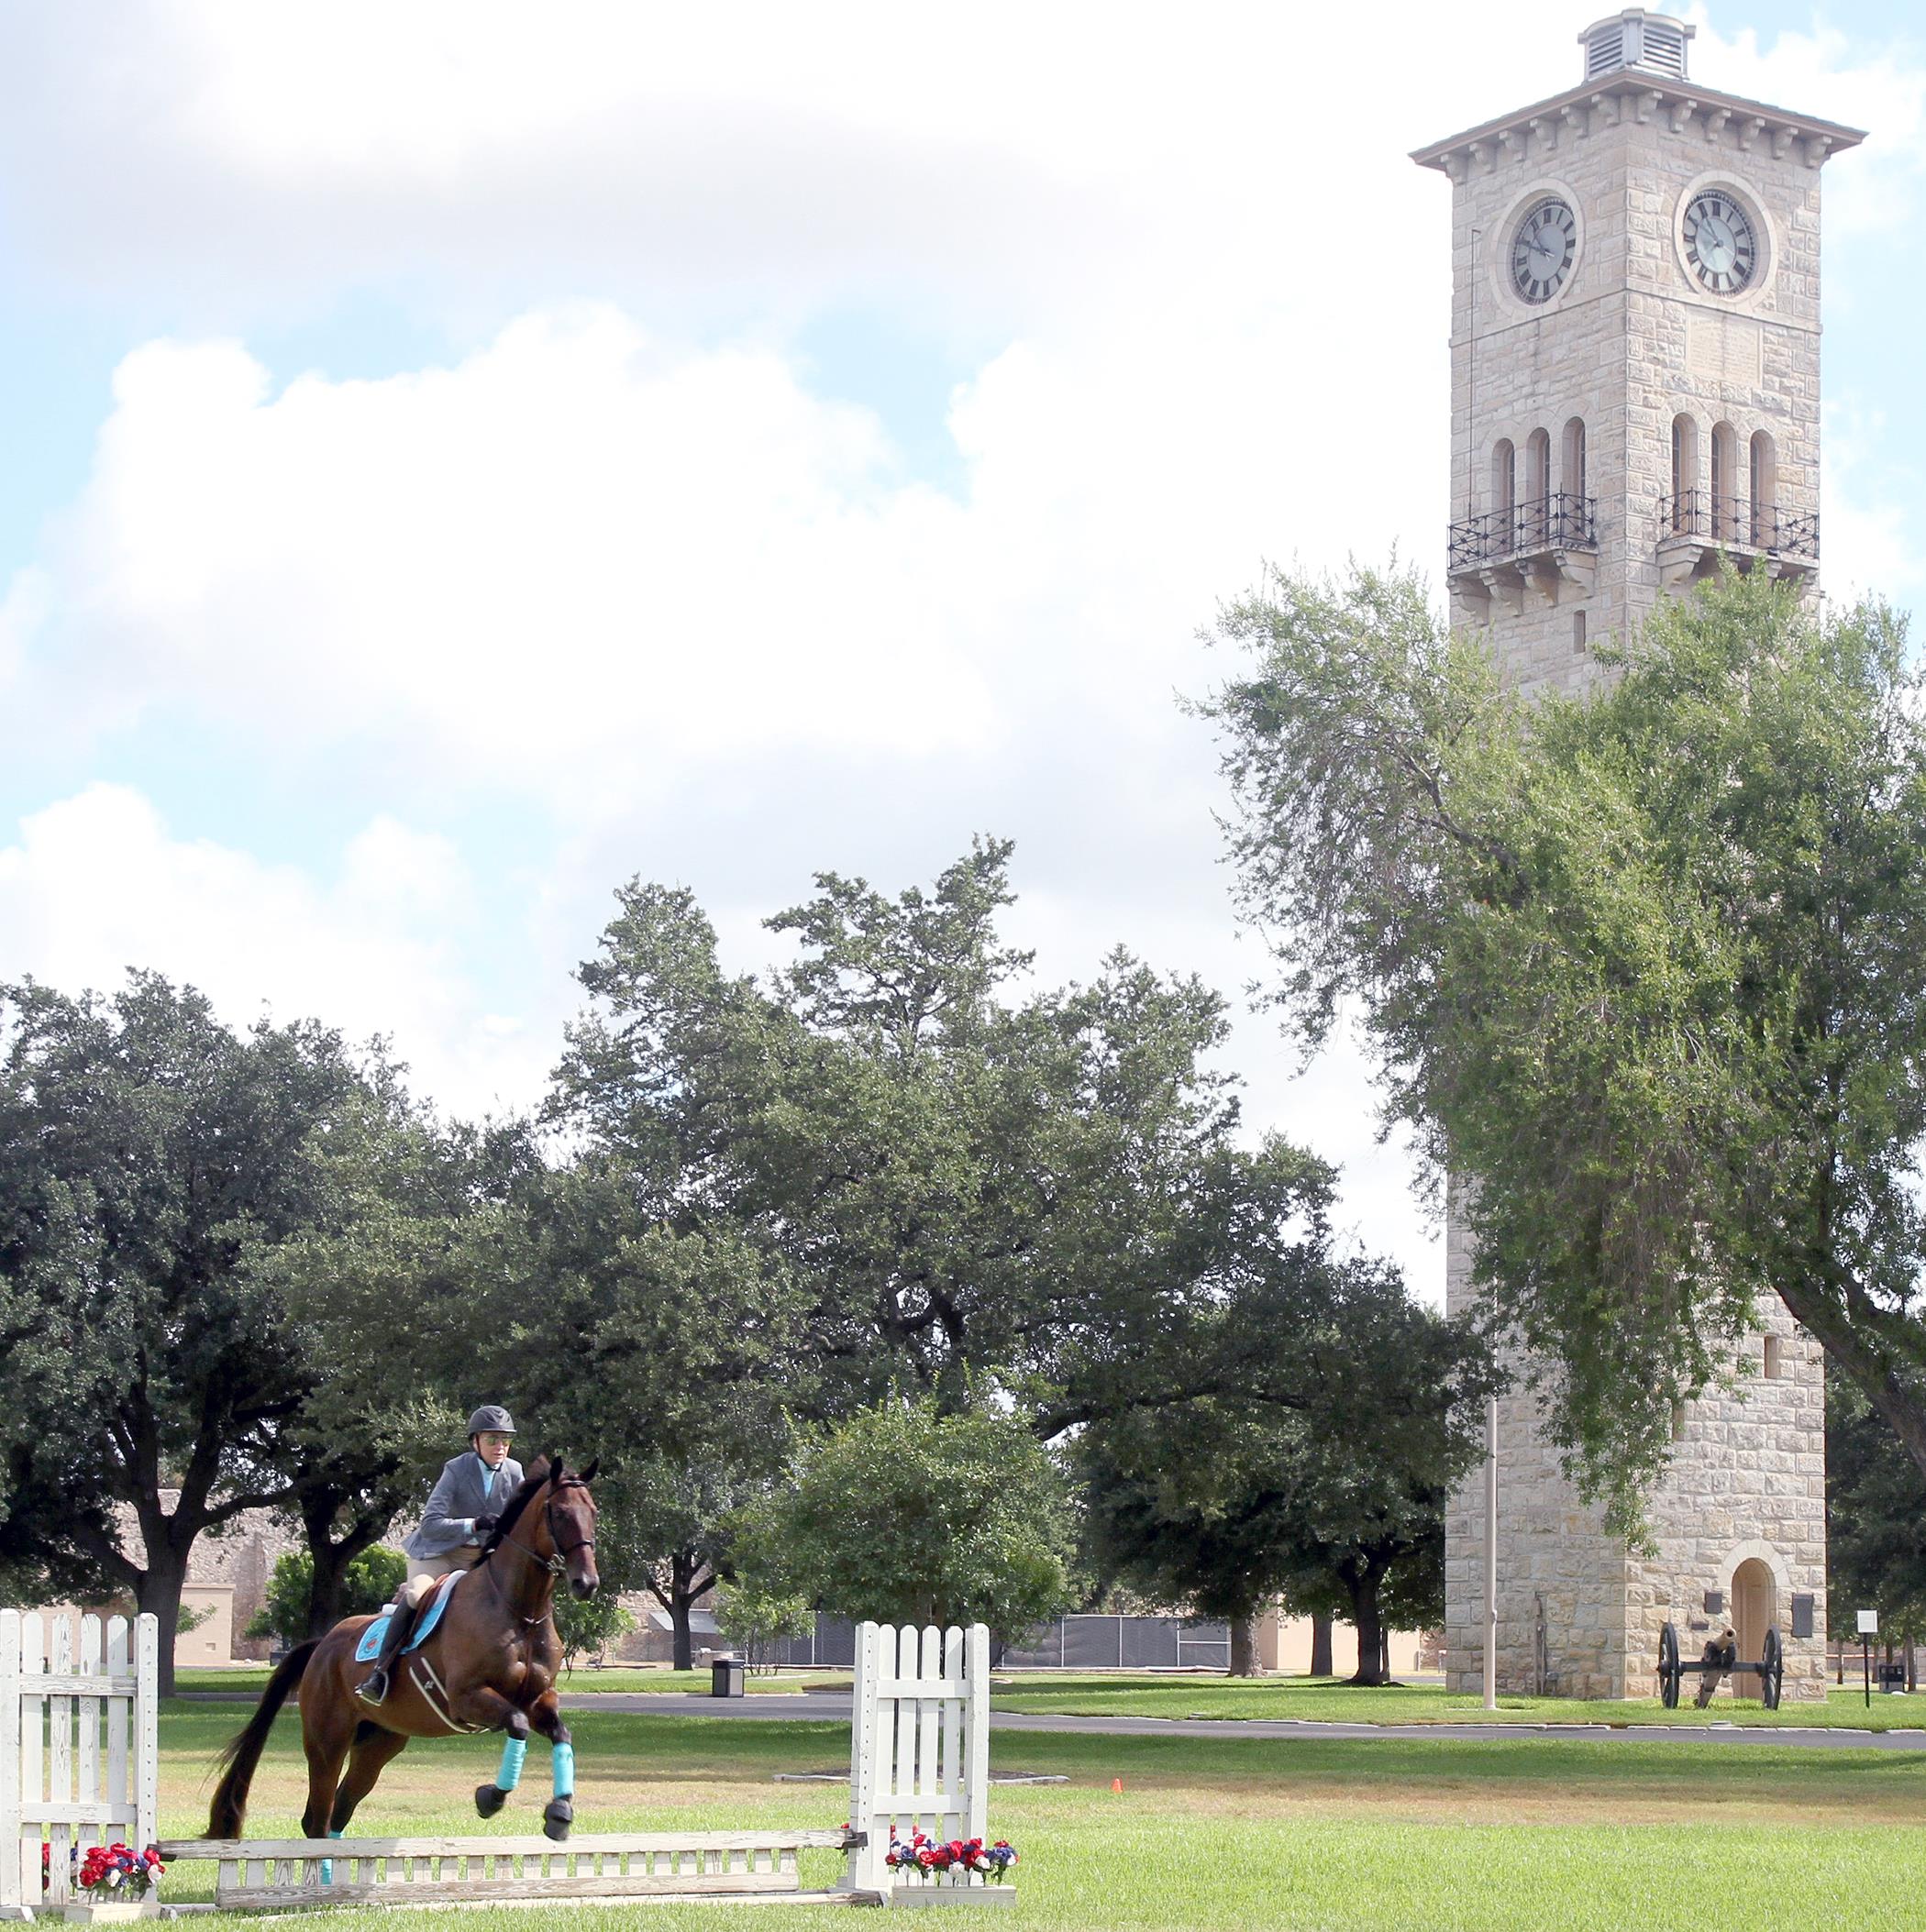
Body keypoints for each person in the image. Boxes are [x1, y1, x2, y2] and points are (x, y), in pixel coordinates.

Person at [356, 1406, 526, 1705]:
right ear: (475, 1441)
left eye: (505, 1440)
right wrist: (472, 1524)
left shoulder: (514, 1471)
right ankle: (379, 1673)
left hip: (479, 1558)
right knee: (418, 1595)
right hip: (440, 1553)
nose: (500, 1447)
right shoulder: (456, 1469)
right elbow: (430, 1525)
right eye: (492, 1440)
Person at [1694, 1627, 1738, 1709]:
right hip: (1712, 1662)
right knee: (1708, 1687)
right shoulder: (1712, 1650)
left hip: (1716, 1662)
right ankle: (1702, 1702)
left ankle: (1702, 1703)